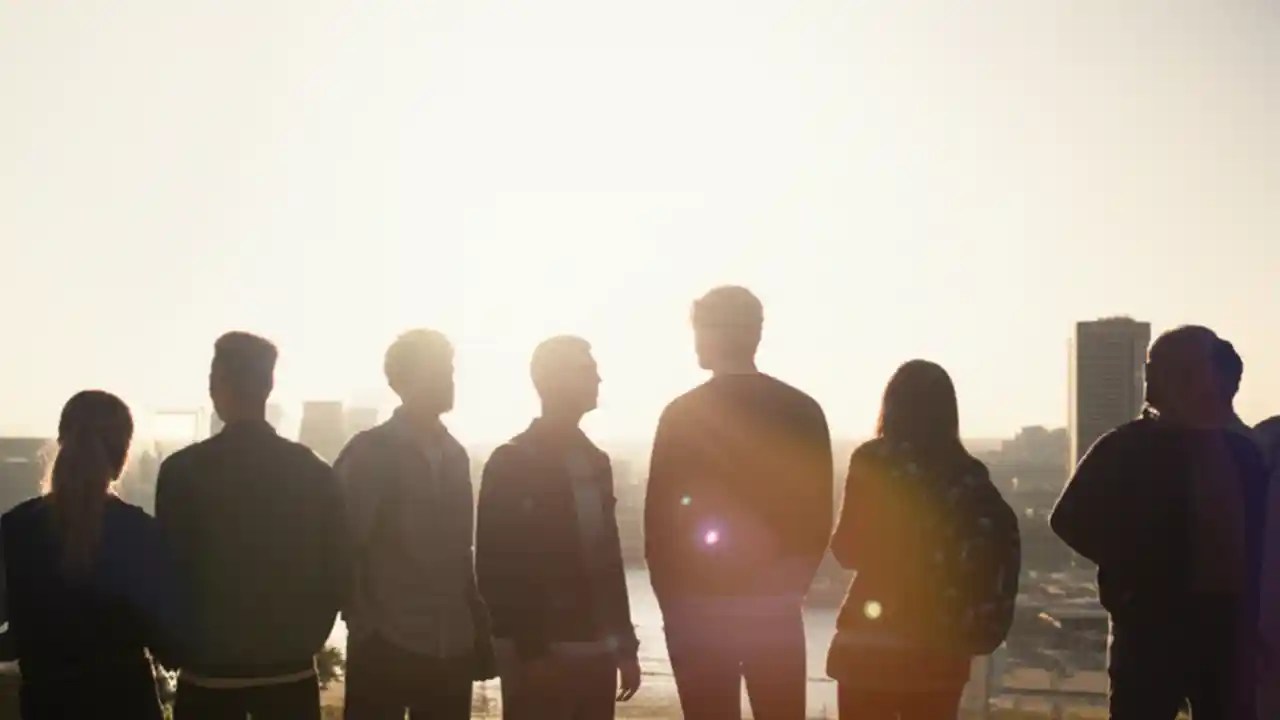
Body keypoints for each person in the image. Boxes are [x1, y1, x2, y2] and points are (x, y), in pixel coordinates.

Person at [1052, 326, 1268, 720]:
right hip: (1151, 632)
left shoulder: (1242, 453)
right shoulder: (1125, 447)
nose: (1153, 380)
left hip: (1224, 634)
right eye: (1154, 370)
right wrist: (1139, 573)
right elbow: (1069, 519)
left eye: (1177, 370)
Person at [645, 286, 833, 720]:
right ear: (756, 334)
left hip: (700, 612)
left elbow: (660, 524)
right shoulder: (803, 411)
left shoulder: (682, 415)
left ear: (709, 334)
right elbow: (817, 517)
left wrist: (675, 606)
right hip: (774, 608)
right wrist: (788, 588)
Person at [157, 333, 347, 720]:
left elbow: (168, 573)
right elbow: (336, 571)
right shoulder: (313, 471)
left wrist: (179, 645)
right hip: (289, 670)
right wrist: (306, 638)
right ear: (268, 385)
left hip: (209, 673)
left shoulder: (183, 473)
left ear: (216, 385)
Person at [827, 361, 1019, 720]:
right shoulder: (969, 476)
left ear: (892, 405)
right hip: (941, 644)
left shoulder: (873, 460)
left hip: (870, 641)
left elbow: (845, 550)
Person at [477, 336, 641, 719]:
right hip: (541, 653)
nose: (598, 379)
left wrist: (625, 647)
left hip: (595, 651)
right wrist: (532, 651)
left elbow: (607, 560)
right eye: (587, 370)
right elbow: (495, 566)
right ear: (555, 380)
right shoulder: (511, 462)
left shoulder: (596, 462)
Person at [334, 329, 494, 720]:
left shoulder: (455, 454)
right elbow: (340, 543)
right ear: (403, 381)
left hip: (450, 644)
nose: (449, 380)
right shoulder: (370, 452)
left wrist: (475, 627)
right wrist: (363, 622)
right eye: (439, 370)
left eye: (450, 370)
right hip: (387, 640)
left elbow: (461, 552)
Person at [0, 391, 183, 719]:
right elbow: (169, 644)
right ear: (123, 456)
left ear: (61, 443)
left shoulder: (15, 528)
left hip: (47, 703)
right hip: (127, 703)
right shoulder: (139, 532)